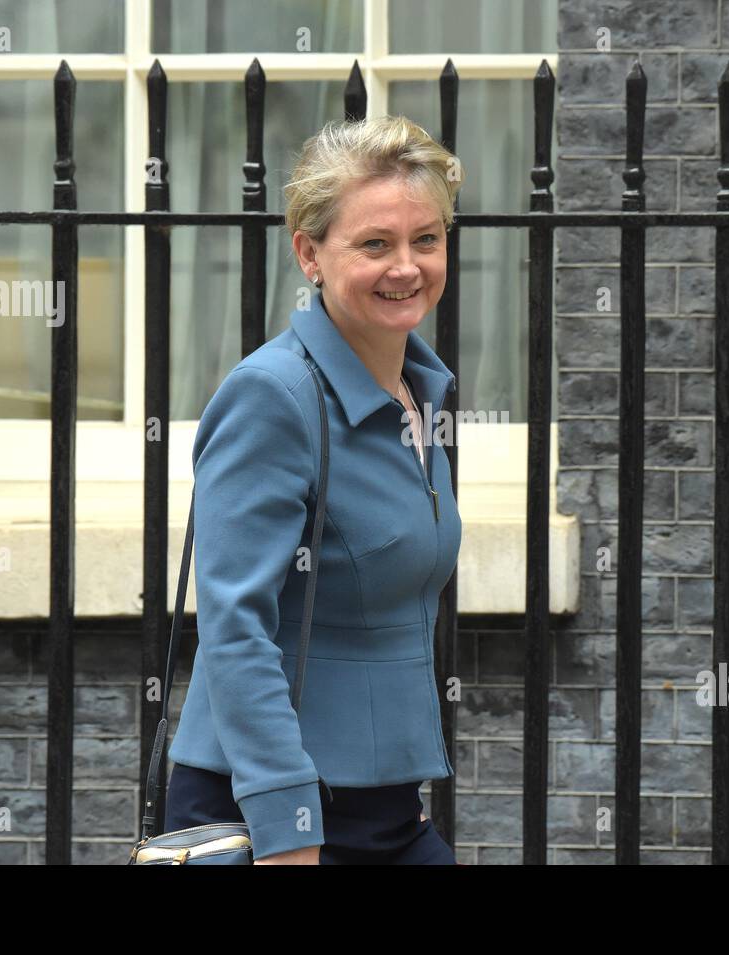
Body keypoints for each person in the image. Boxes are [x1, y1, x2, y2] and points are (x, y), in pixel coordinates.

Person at [162, 114, 464, 864]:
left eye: (425, 239)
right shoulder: (274, 397)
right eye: (374, 244)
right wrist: (286, 826)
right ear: (309, 254)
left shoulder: (420, 390)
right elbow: (235, 627)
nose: (407, 266)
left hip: (388, 805)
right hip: (276, 808)